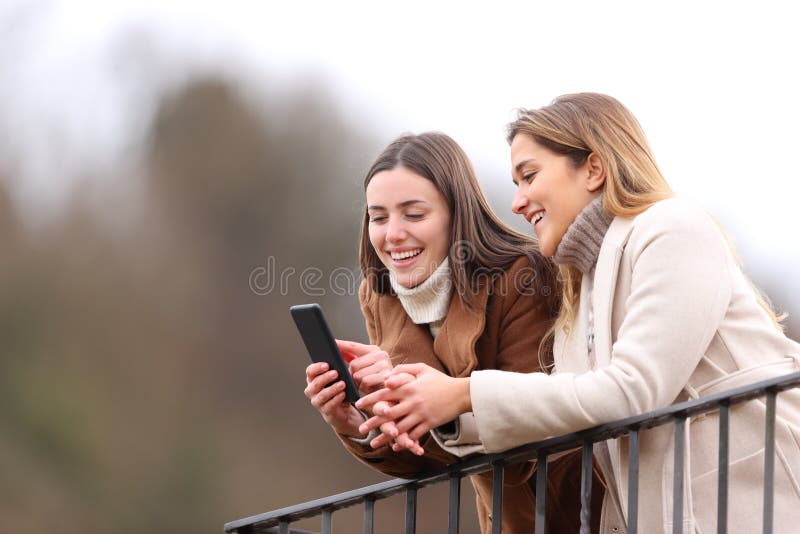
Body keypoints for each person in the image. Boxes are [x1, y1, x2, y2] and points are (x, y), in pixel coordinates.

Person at [354, 94, 800, 533]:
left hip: (756, 506)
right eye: (515, 183)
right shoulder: (579, 290)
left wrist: (464, 392)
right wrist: (422, 407)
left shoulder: (672, 227)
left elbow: (630, 391)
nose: (517, 202)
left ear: (593, 169)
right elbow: (564, 416)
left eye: (529, 176)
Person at [303, 132, 604, 533]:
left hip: (579, 511)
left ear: (456, 213)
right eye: (378, 216)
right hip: (503, 518)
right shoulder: (380, 295)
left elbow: (530, 420)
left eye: (414, 215)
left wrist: (418, 397)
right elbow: (424, 459)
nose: (392, 234)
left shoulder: (523, 275)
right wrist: (359, 420)